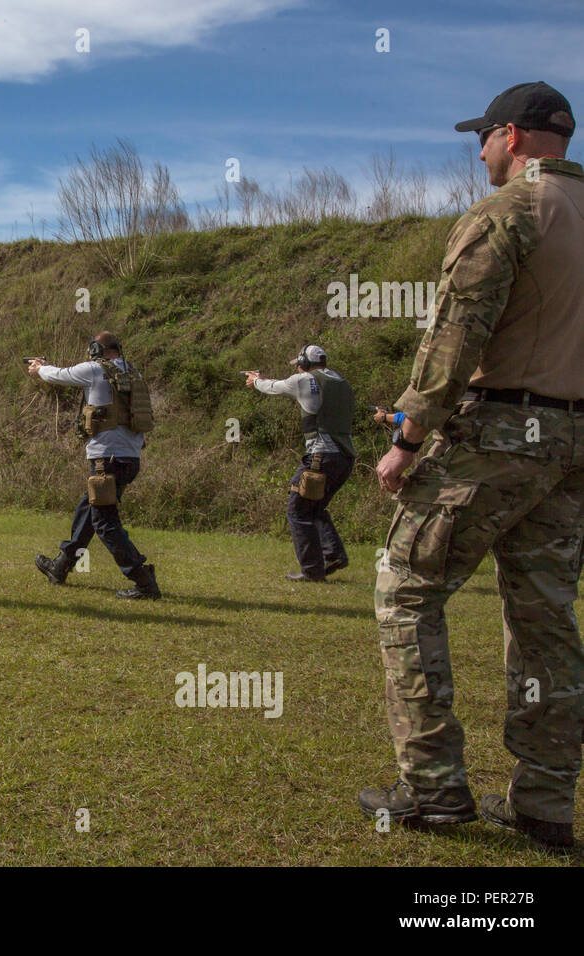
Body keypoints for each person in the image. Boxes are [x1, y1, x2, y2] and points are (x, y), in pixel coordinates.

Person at [357, 82, 583, 850]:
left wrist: (409, 436)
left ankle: (432, 786)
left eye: (482, 136)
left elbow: (455, 336)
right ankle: (546, 803)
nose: (479, 149)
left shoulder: (506, 214)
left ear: (511, 135)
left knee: (406, 588)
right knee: (547, 617)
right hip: (573, 445)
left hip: (498, 434)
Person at [29, 332, 160, 599]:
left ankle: (143, 579)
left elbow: (59, 375)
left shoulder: (93, 369)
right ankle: (61, 565)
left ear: (95, 349)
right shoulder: (133, 372)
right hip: (128, 458)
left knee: (104, 521)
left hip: (106, 460)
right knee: (89, 509)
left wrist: (40, 368)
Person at [246, 346, 356, 582]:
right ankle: (333, 554)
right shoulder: (342, 382)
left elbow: (274, 387)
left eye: (299, 363)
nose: (297, 367)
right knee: (315, 508)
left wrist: (256, 381)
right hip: (345, 457)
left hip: (321, 456)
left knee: (297, 510)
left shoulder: (305, 379)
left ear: (305, 363)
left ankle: (313, 570)